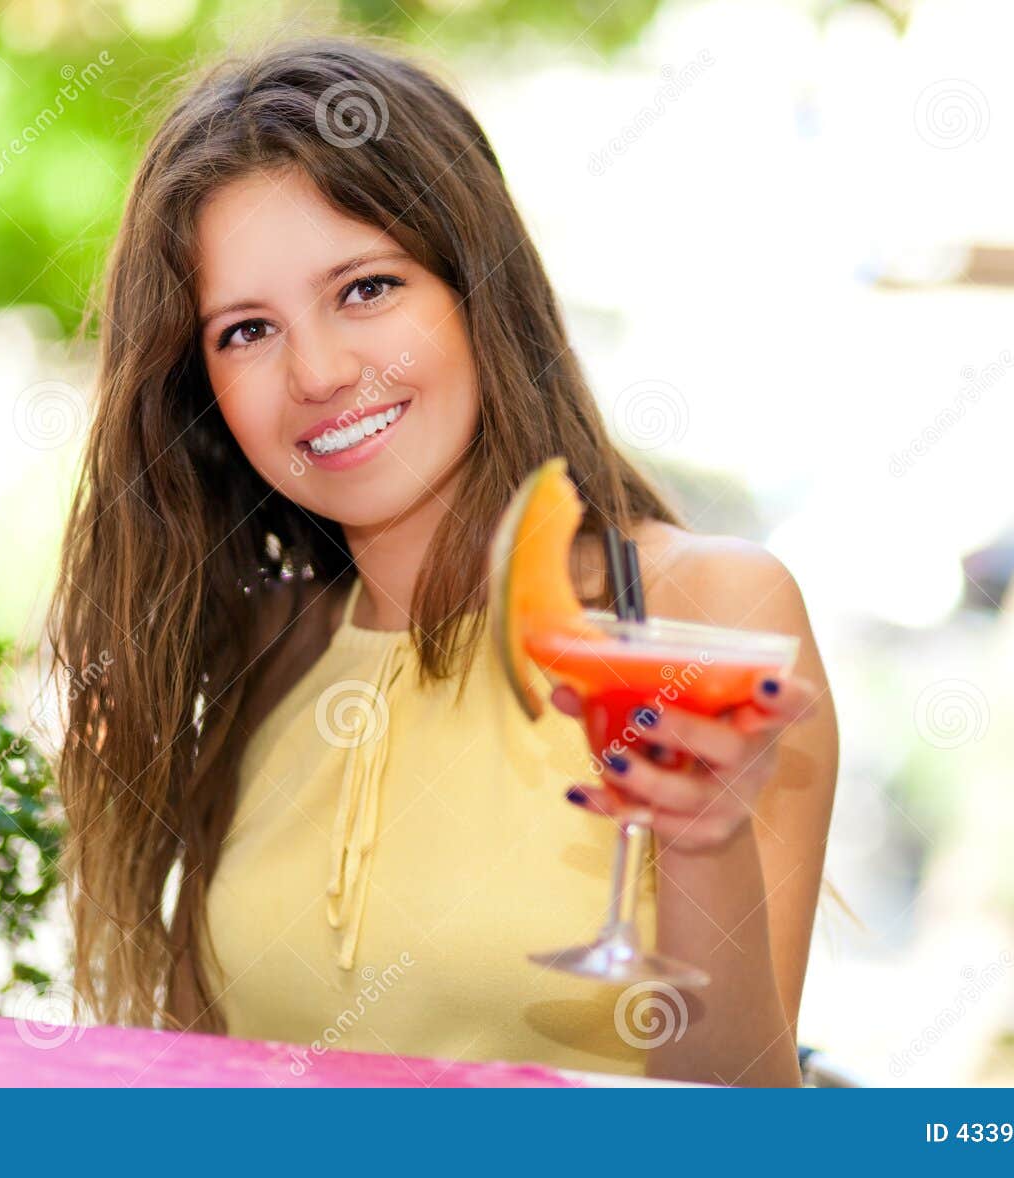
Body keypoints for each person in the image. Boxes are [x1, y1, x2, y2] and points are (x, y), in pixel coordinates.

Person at [48, 33, 839, 1087]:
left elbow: (742, 1122)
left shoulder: (703, 608)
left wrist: (702, 841)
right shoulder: (263, 649)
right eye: (246, 330)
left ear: (477, 289)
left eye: (367, 288)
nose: (320, 372)